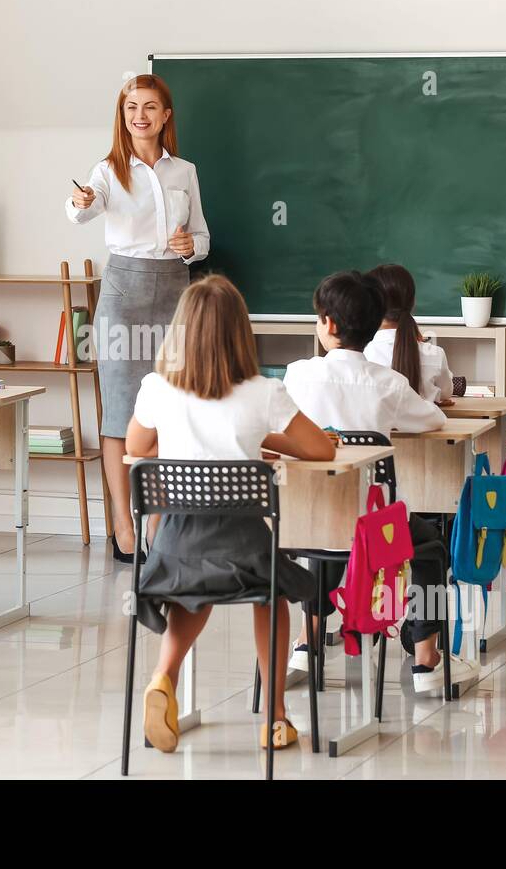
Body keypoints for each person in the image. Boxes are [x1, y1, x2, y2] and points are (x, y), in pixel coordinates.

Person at [126, 274, 334, 752]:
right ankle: (276, 717)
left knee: (195, 591)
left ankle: (163, 678)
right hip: (245, 549)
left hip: (174, 547)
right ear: (241, 332)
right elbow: (319, 449)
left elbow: (137, 446)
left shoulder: (157, 387)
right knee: (272, 597)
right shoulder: (263, 392)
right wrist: (256, 442)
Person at [283, 270, 478, 695]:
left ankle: (307, 641)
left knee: (330, 534)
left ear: (329, 325)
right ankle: (426, 659)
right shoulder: (387, 384)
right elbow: (435, 418)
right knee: (431, 549)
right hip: (378, 530)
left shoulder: (297, 375)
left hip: (304, 523)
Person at [67, 73, 209, 563]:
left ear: (165, 115)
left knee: (170, 409)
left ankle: (159, 527)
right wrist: (80, 201)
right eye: (131, 108)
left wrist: (192, 247)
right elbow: (83, 208)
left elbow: (202, 236)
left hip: (175, 291)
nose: (140, 117)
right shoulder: (108, 170)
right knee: (122, 411)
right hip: (124, 293)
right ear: (122, 115)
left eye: (150, 108)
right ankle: (124, 531)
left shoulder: (184, 171)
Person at [363, 264, 454, 404]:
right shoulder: (435, 354)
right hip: (428, 425)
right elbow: (447, 392)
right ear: (413, 302)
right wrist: (434, 395)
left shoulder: (364, 354)